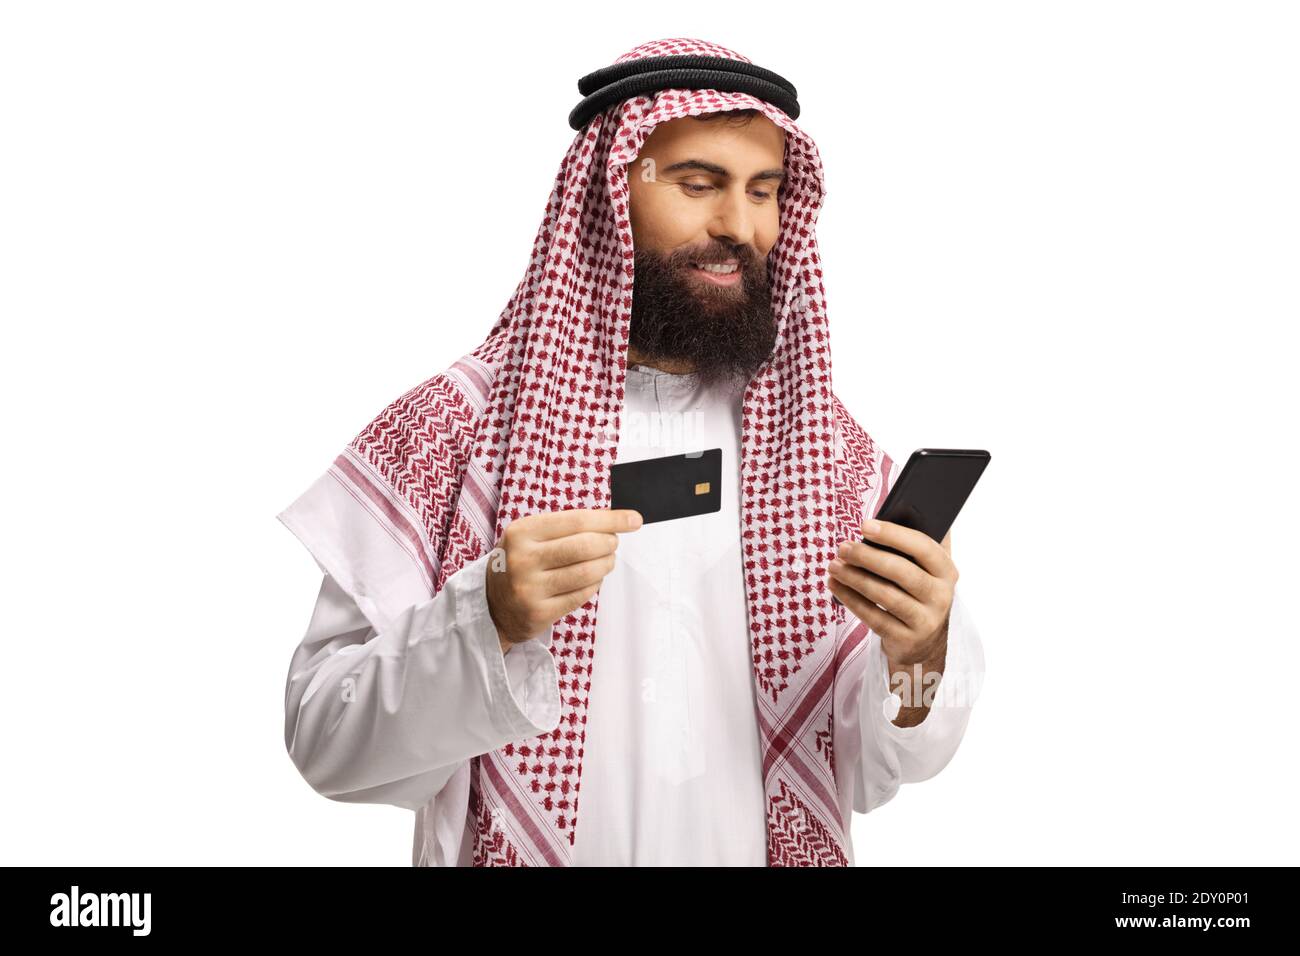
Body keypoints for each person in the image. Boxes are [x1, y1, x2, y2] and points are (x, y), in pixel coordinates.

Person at [276, 37, 985, 867]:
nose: (739, 225)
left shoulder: (831, 461)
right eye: (697, 184)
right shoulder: (452, 431)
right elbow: (325, 743)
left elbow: (885, 769)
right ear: (607, 197)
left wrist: (919, 654)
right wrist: (485, 619)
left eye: (765, 192)